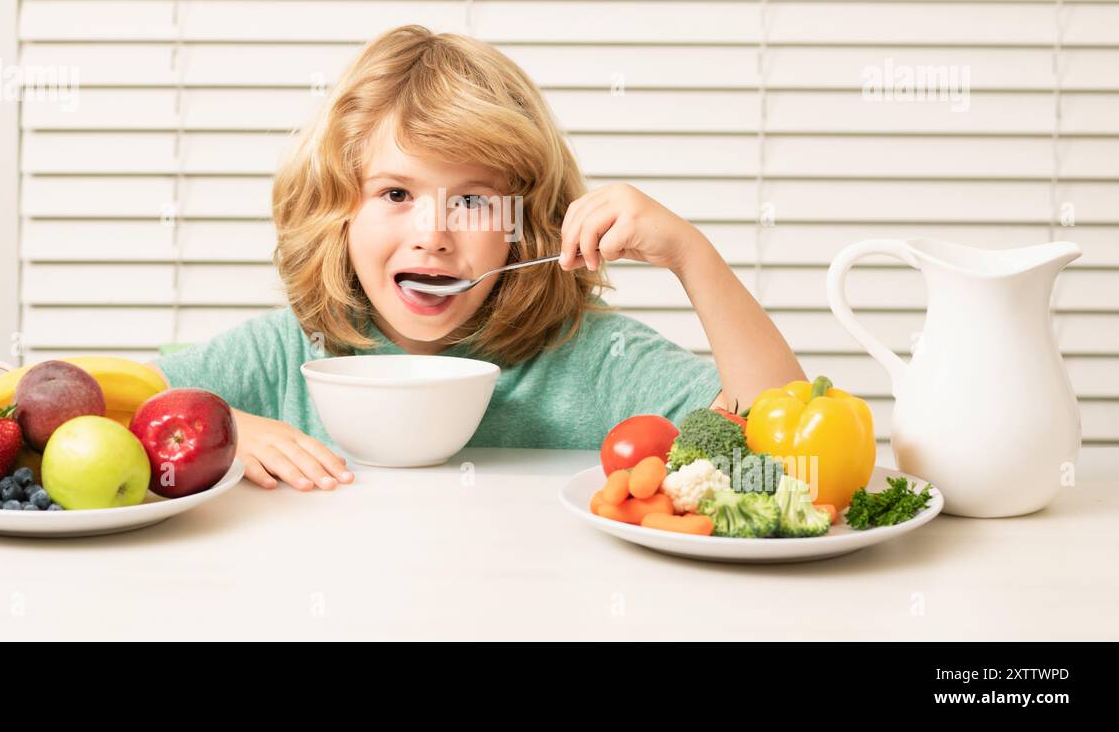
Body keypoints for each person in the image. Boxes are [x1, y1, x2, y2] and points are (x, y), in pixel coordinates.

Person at [149, 25, 804, 491]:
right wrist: (227, 424)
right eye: (396, 192)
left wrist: (694, 256)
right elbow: (91, 411)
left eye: (473, 200)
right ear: (339, 212)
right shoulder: (286, 354)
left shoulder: (594, 361)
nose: (433, 234)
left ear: (522, 228)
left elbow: (789, 453)